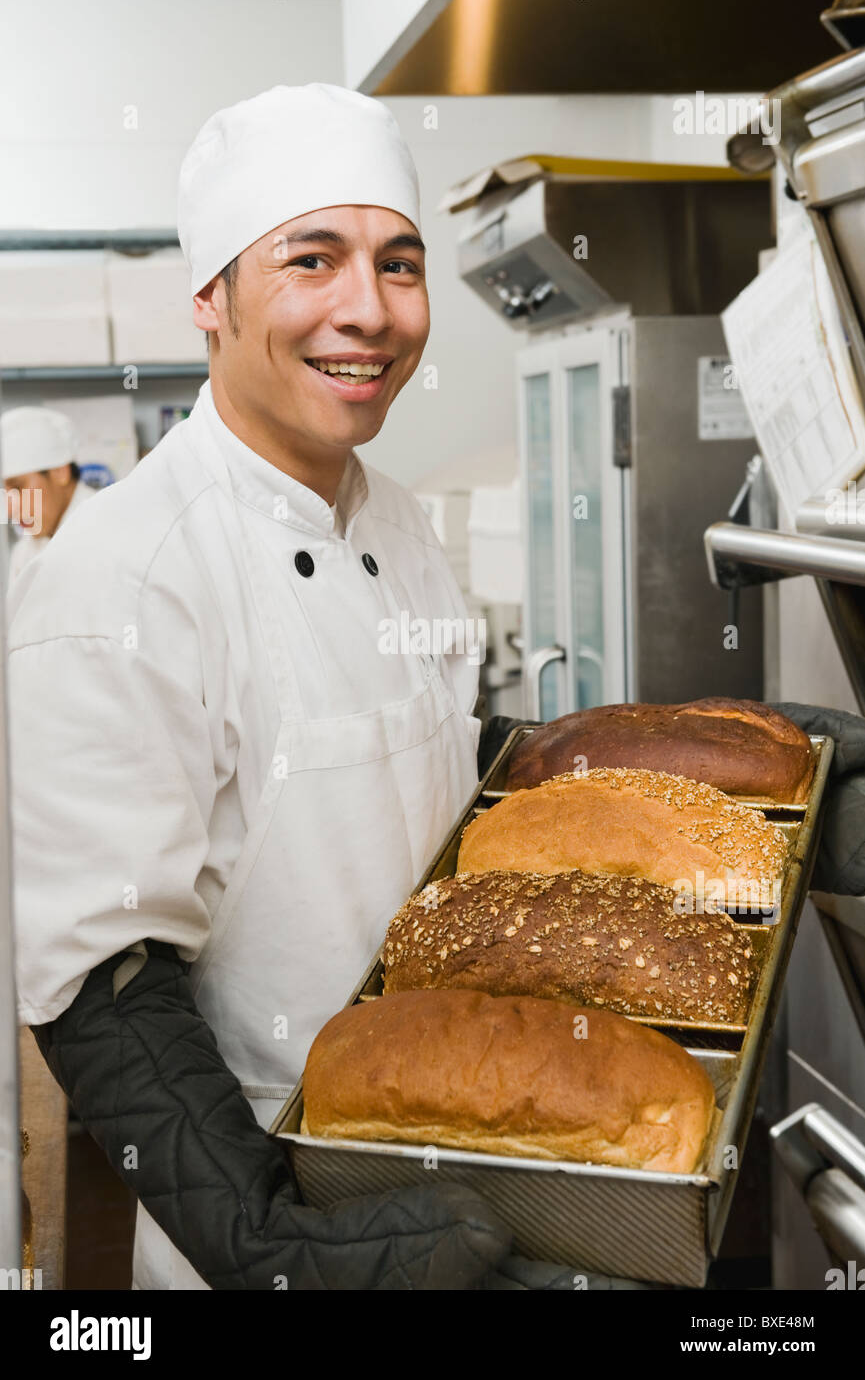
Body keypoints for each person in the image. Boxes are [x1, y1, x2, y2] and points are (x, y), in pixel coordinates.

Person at [11, 82, 865, 1293]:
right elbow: (100, 981)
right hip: (293, 1181)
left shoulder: (395, 520)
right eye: (312, 260)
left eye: (398, 264)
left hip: (485, 1134)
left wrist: (751, 804)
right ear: (210, 296)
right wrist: (262, 1238)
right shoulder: (123, 576)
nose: (367, 310)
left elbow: (431, 771)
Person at [1, 406, 97, 589]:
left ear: (60, 472)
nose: (11, 508)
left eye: (19, 488)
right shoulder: (24, 552)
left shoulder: (106, 532)